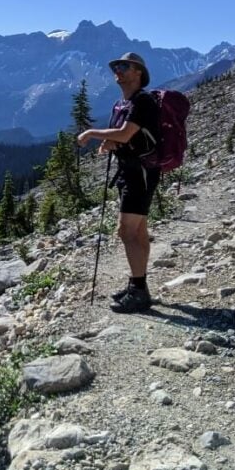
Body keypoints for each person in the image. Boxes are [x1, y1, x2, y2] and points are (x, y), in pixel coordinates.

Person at [76, 52, 160, 313]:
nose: (118, 70)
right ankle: (138, 284)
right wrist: (110, 142)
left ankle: (138, 291)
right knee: (139, 230)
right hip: (130, 171)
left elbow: (125, 133)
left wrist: (91, 133)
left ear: (139, 72)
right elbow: (126, 138)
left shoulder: (142, 100)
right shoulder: (122, 103)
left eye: (124, 66)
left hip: (140, 173)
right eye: (116, 67)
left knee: (127, 232)